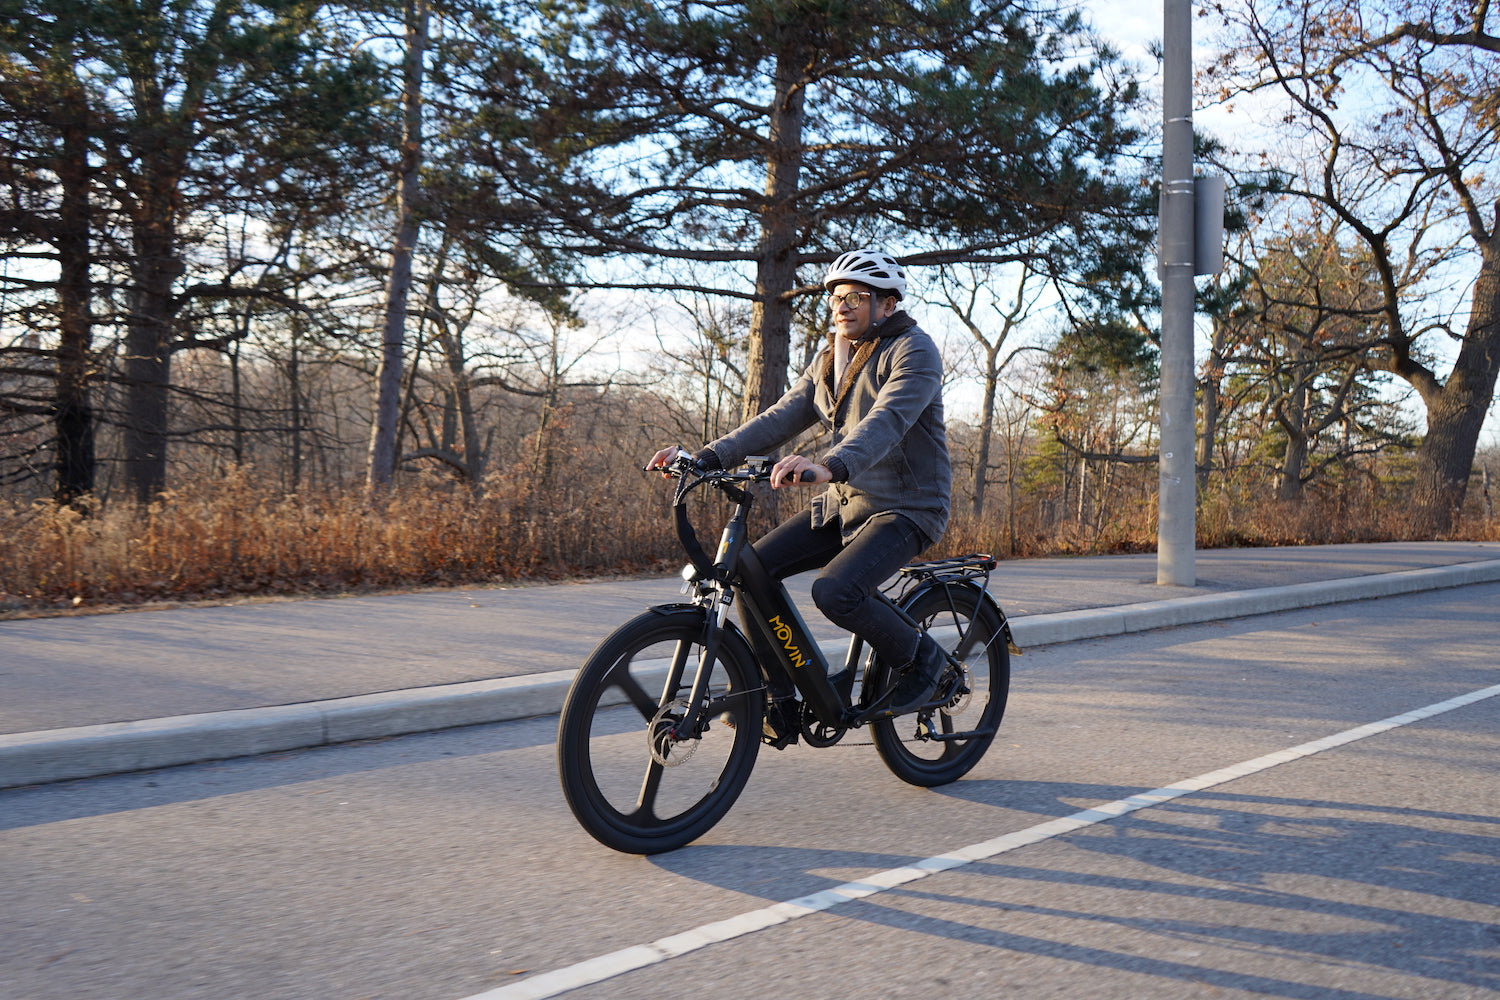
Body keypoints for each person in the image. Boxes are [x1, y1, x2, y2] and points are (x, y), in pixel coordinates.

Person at [648, 247, 953, 728]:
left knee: (835, 591)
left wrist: (831, 465)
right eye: (835, 297)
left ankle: (926, 663)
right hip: (844, 504)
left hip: (907, 508)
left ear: (888, 304)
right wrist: (706, 457)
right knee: (749, 570)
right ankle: (780, 694)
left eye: (856, 295)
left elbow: (887, 420)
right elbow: (779, 417)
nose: (842, 305)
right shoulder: (830, 358)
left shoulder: (915, 350)